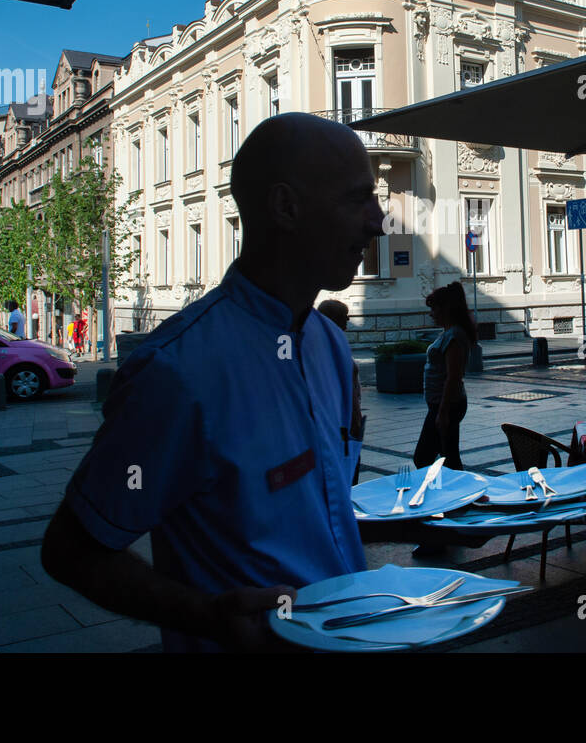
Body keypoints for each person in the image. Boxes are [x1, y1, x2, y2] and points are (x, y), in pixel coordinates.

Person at [40, 114, 384, 652]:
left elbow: (320, 513)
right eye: (358, 198)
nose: (378, 222)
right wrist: (205, 615)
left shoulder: (330, 345)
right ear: (286, 207)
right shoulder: (177, 373)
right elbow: (71, 549)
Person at [414, 282, 476, 472]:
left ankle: (453, 487)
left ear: (445, 309)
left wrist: (443, 412)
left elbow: (453, 376)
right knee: (448, 456)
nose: (431, 314)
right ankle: (455, 487)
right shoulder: (449, 333)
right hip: (443, 403)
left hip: (447, 404)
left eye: (434, 309)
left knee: (425, 456)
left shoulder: (454, 336)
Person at [317, 299, 364, 484]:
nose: (348, 320)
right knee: (348, 463)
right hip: (342, 421)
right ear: (333, 319)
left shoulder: (326, 342)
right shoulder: (332, 346)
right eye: (344, 316)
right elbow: (347, 388)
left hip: (335, 420)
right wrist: (356, 419)